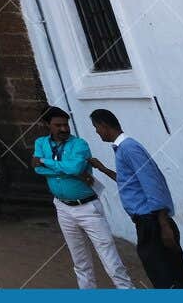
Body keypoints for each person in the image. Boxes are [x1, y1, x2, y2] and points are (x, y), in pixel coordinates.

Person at [89, 109, 183, 289]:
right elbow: (129, 182)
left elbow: (152, 183)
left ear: (103, 126)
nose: (97, 132)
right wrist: (102, 169)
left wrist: (163, 225)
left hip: (152, 222)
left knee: (166, 275)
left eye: (96, 128)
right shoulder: (123, 149)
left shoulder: (129, 148)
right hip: (148, 222)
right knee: (168, 273)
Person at [31, 105, 131, 289]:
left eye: (65, 124)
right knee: (80, 262)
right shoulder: (41, 143)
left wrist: (47, 162)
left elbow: (75, 168)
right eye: (57, 125)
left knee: (111, 261)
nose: (63, 129)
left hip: (87, 207)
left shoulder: (79, 144)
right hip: (62, 207)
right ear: (47, 125)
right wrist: (63, 168)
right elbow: (37, 169)